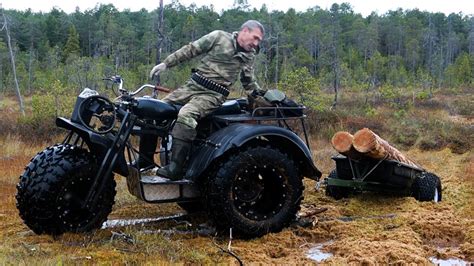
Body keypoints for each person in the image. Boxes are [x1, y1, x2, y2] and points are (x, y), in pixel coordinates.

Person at [148, 20, 265, 181]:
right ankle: (145, 161)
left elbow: (248, 82)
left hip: (214, 95)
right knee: (154, 109)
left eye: (259, 40)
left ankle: (176, 168)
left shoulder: (249, 55)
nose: (256, 43)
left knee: (186, 115)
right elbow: (191, 50)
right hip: (192, 85)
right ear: (245, 31)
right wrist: (166, 64)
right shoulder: (218, 37)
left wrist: (262, 98)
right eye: (255, 38)